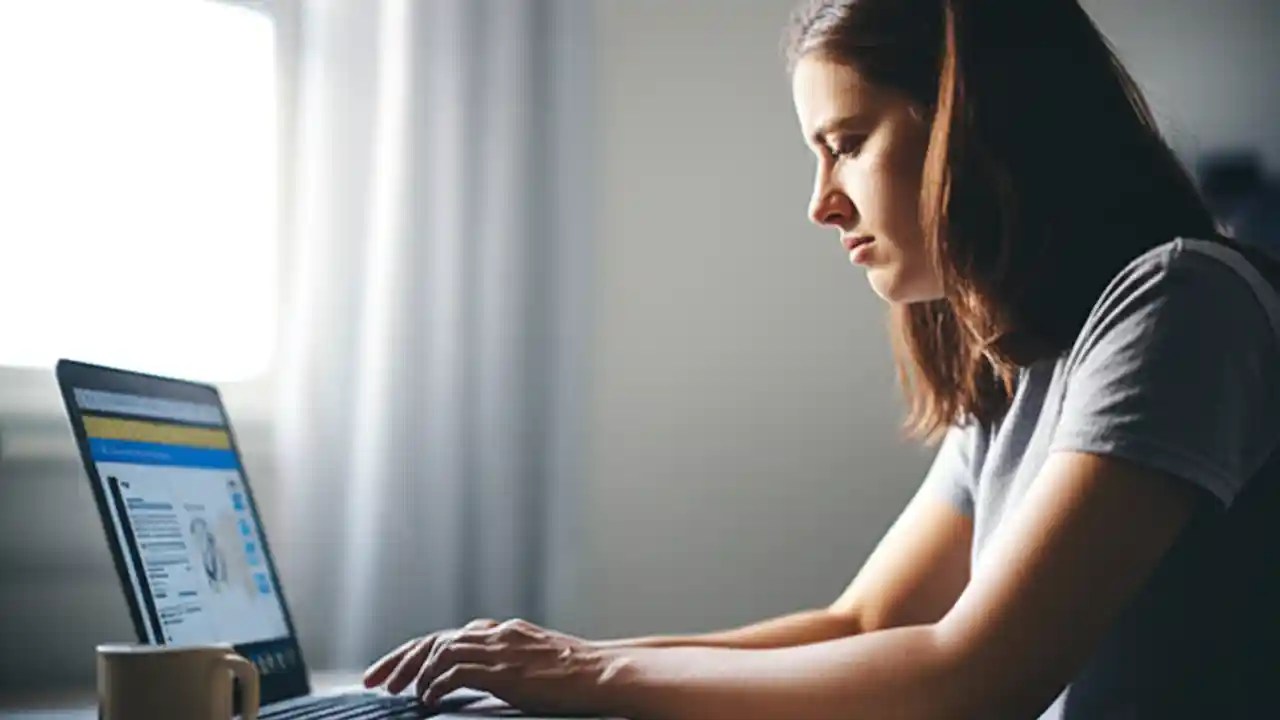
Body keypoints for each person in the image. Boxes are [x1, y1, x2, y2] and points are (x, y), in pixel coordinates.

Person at [362, 1, 1280, 717]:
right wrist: (561, 669)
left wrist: (594, 672)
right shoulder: (1021, 364)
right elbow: (867, 623)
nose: (821, 203)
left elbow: (969, 679)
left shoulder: (1180, 303)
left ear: (972, 117)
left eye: (846, 144)